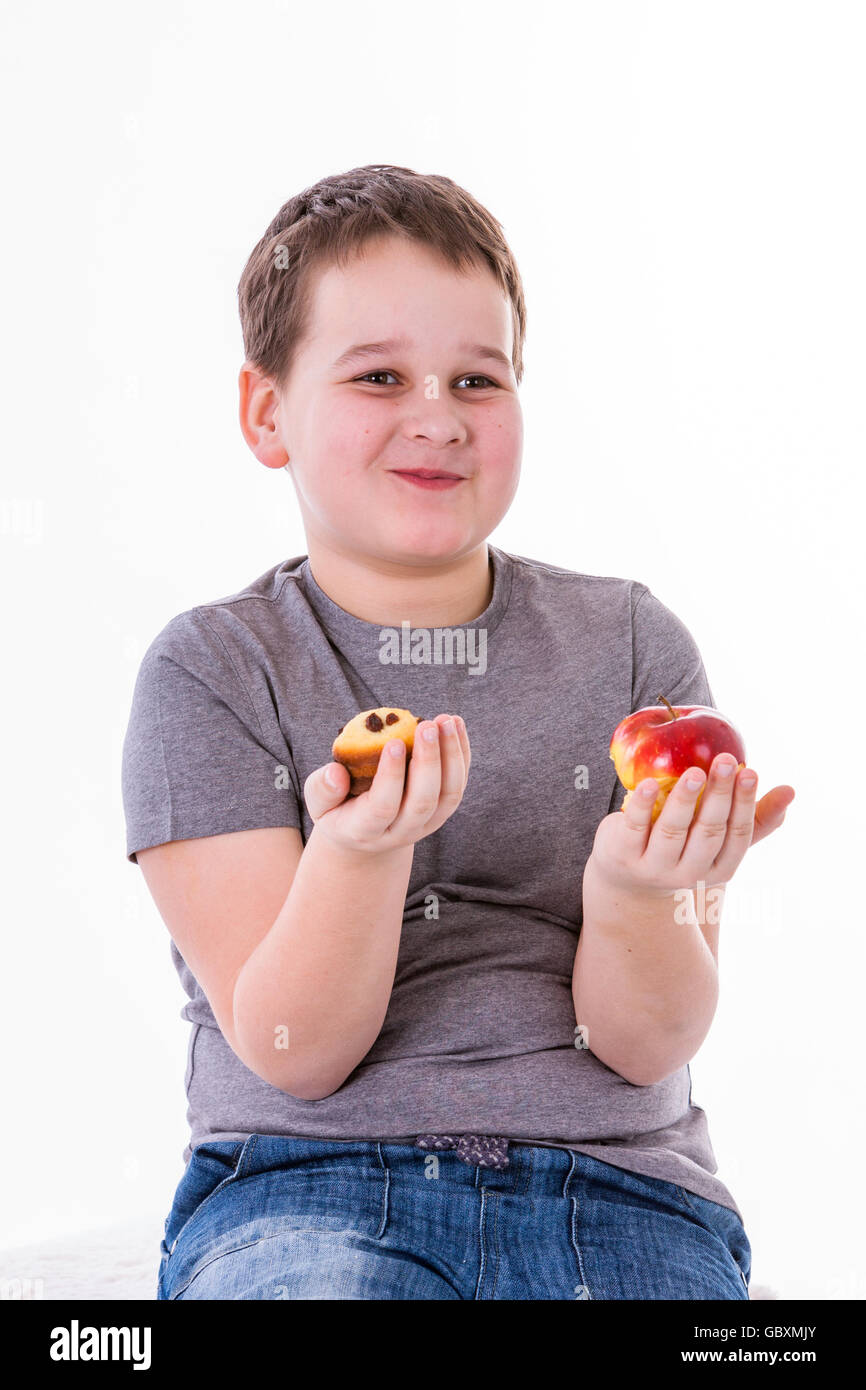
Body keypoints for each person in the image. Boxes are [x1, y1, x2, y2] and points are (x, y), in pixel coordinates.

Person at [121, 164, 794, 1301]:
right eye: (379, 375)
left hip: (625, 1198)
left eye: (475, 379)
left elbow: (648, 1043)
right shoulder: (213, 671)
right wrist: (359, 856)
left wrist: (639, 892)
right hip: (305, 1191)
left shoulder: (632, 648)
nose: (434, 415)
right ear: (265, 412)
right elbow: (298, 1052)